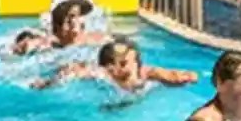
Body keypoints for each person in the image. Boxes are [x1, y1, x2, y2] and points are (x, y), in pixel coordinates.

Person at [31, 39, 199, 91]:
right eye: (127, 63)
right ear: (111, 67)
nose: (134, 66)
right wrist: (48, 83)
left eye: (136, 61)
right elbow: (73, 73)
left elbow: (168, 75)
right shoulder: (105, 74)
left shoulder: (144, 73)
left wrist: (185, 77)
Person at [9, 0, 108, 55]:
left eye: (77, 16)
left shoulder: (96, 39)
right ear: (57, 26)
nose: (74, 21)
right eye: (69, 17)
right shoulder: (44, 43)